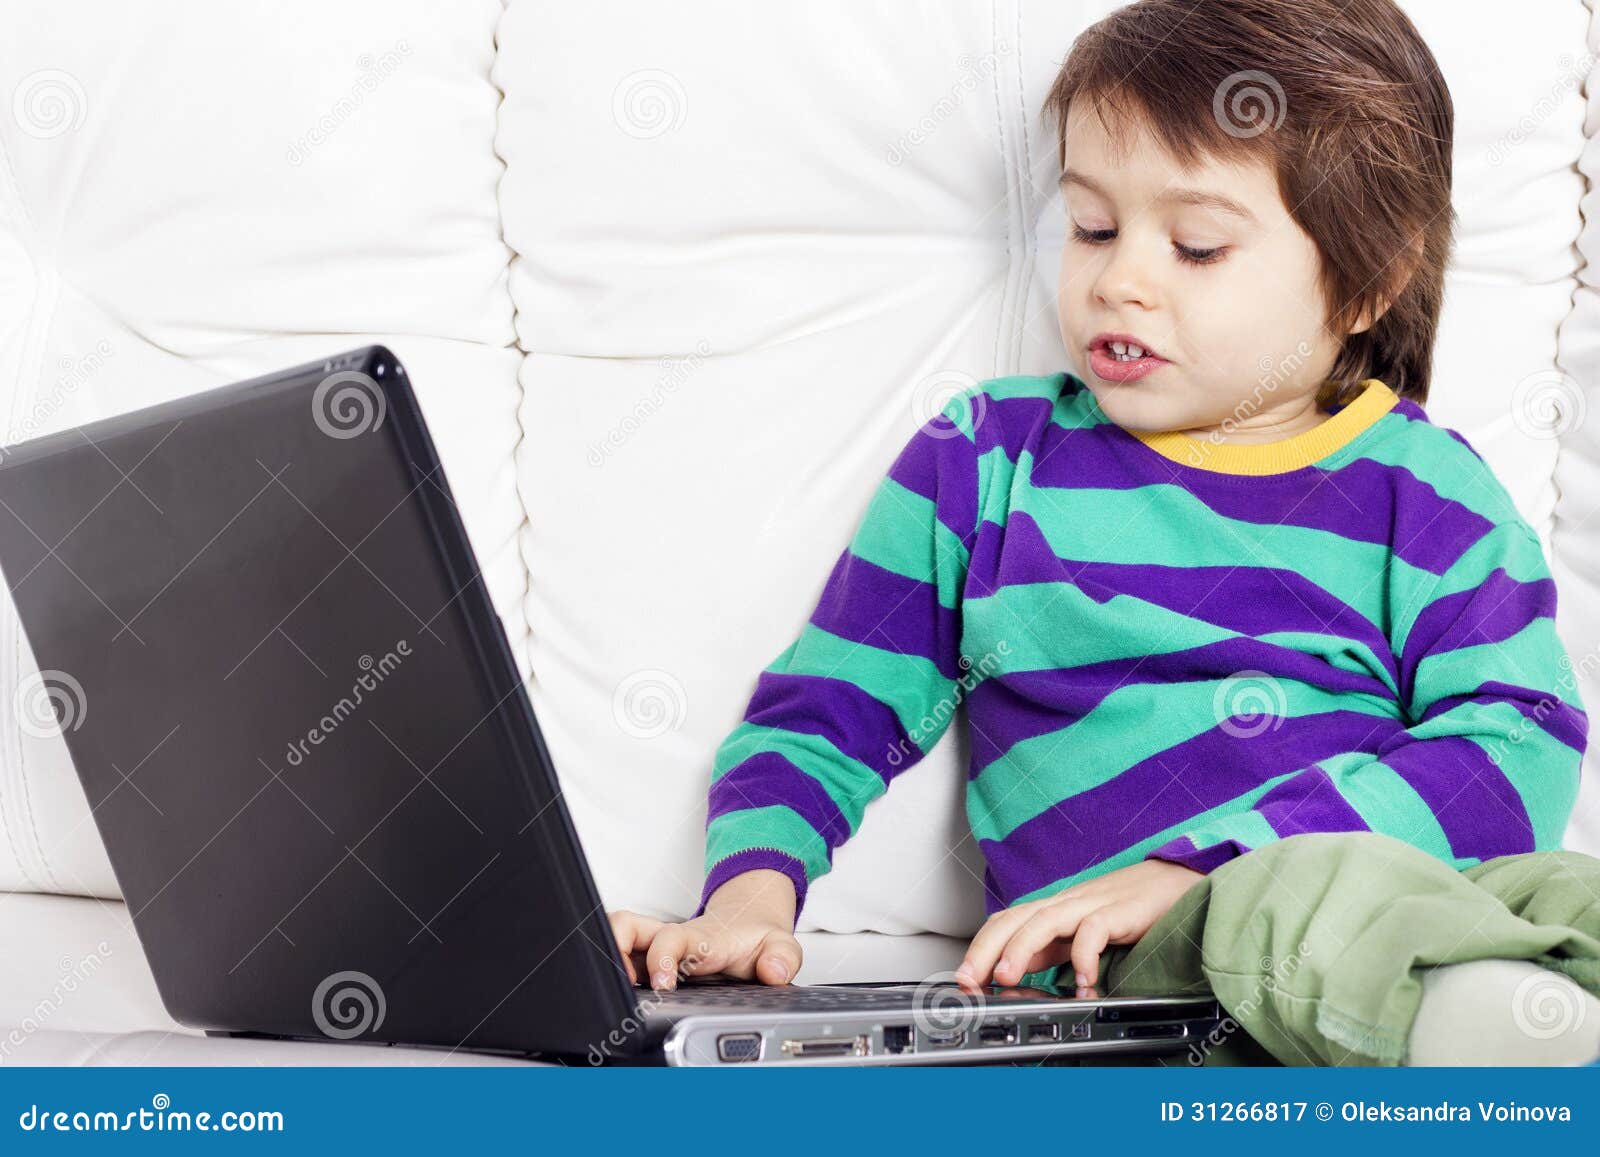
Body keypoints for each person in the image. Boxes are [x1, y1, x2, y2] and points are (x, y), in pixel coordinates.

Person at [608, 0, 1594, 1060]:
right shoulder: (985, 459)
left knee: (1565, 892)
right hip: (1138, 969)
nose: (1120, 279)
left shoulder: (1425, 485)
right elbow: (826, 713)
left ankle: (1501, 1023)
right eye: (1090, 227)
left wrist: (1222, 851)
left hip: (1385, 892)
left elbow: (1517, 740)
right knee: (1285, 902)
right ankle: (1478, 1043)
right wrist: (747, 905)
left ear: (1367, 280)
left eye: (1197, 246)